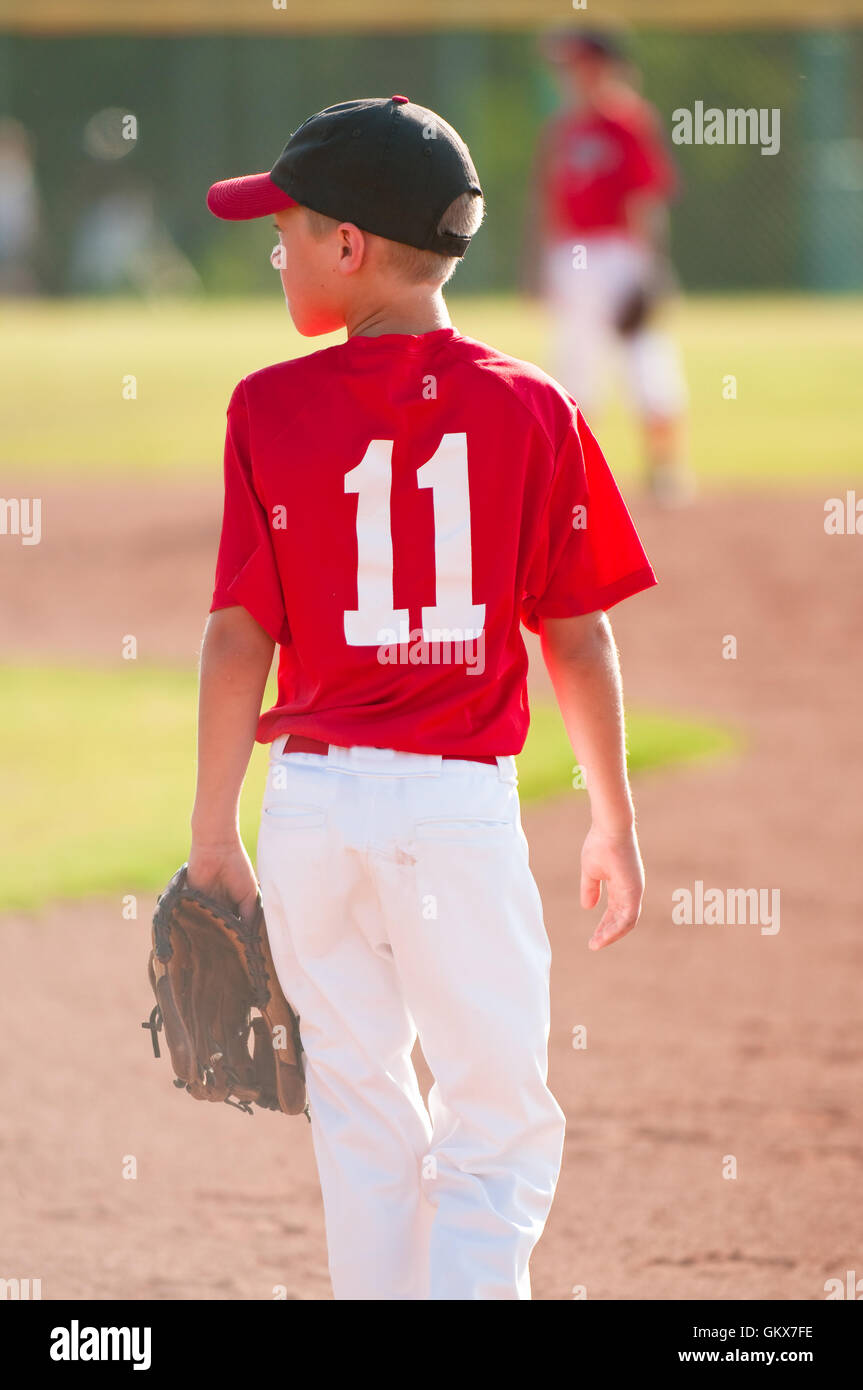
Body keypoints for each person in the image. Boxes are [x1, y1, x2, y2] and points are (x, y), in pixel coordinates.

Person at [188, 95, 655, 1300]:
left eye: (286, 230)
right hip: (452, 814)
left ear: (349, 246)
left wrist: (209, 833)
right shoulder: (532, 404)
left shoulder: (266, 407)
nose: (274, 250)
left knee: (358, 1109)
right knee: (493, 1119)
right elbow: (578, 633)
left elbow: (238, 639)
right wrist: (610, 814)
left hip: (310, 815)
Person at [527, 29, 693, 505]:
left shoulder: (628, 121)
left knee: (646, 359)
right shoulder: (563, 128)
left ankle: (665, 471)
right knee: (574, 367)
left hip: (620, 253)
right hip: (572, 257)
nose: (567, 75)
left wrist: (648, 268)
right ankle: (574, 483)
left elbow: (645, 198)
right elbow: (551, 202)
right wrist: (545, 267)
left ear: (602, 65)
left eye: (576, 64)